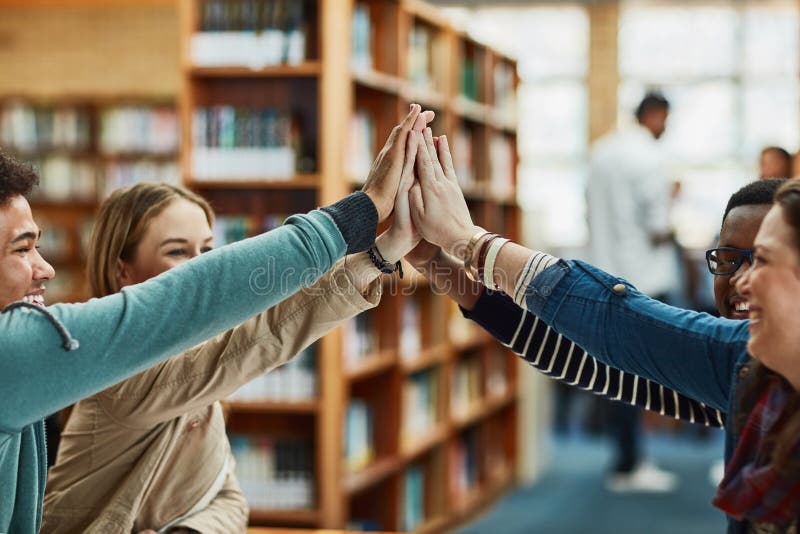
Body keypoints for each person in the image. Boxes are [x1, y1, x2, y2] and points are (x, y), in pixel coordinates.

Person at [0, 103, 427, 533]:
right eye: (177, 252)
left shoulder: (188, 376)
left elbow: (227, 498)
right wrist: (364, 221)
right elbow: (236, 324)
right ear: (121, 269)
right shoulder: (115, 380)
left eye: (207, 251)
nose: (46, 268)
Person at [408, 129, 800, 532]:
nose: (742, 281)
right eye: (729, 259)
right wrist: (437, 265)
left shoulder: (742, 356)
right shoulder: (753, 371)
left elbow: (617, 323)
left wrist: (469, 241)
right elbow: (595, 363)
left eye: (765, 260)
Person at [581, 91, 678, 490]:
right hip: (645, 279)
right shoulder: (651, 158)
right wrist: (675, 202)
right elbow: (658, 229)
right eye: (666, 119)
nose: (666, 128)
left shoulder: (601, 152)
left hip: (603, 273)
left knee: (616, 371)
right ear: (654, 115)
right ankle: (632, 463)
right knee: (642, 374)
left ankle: (625, 459)